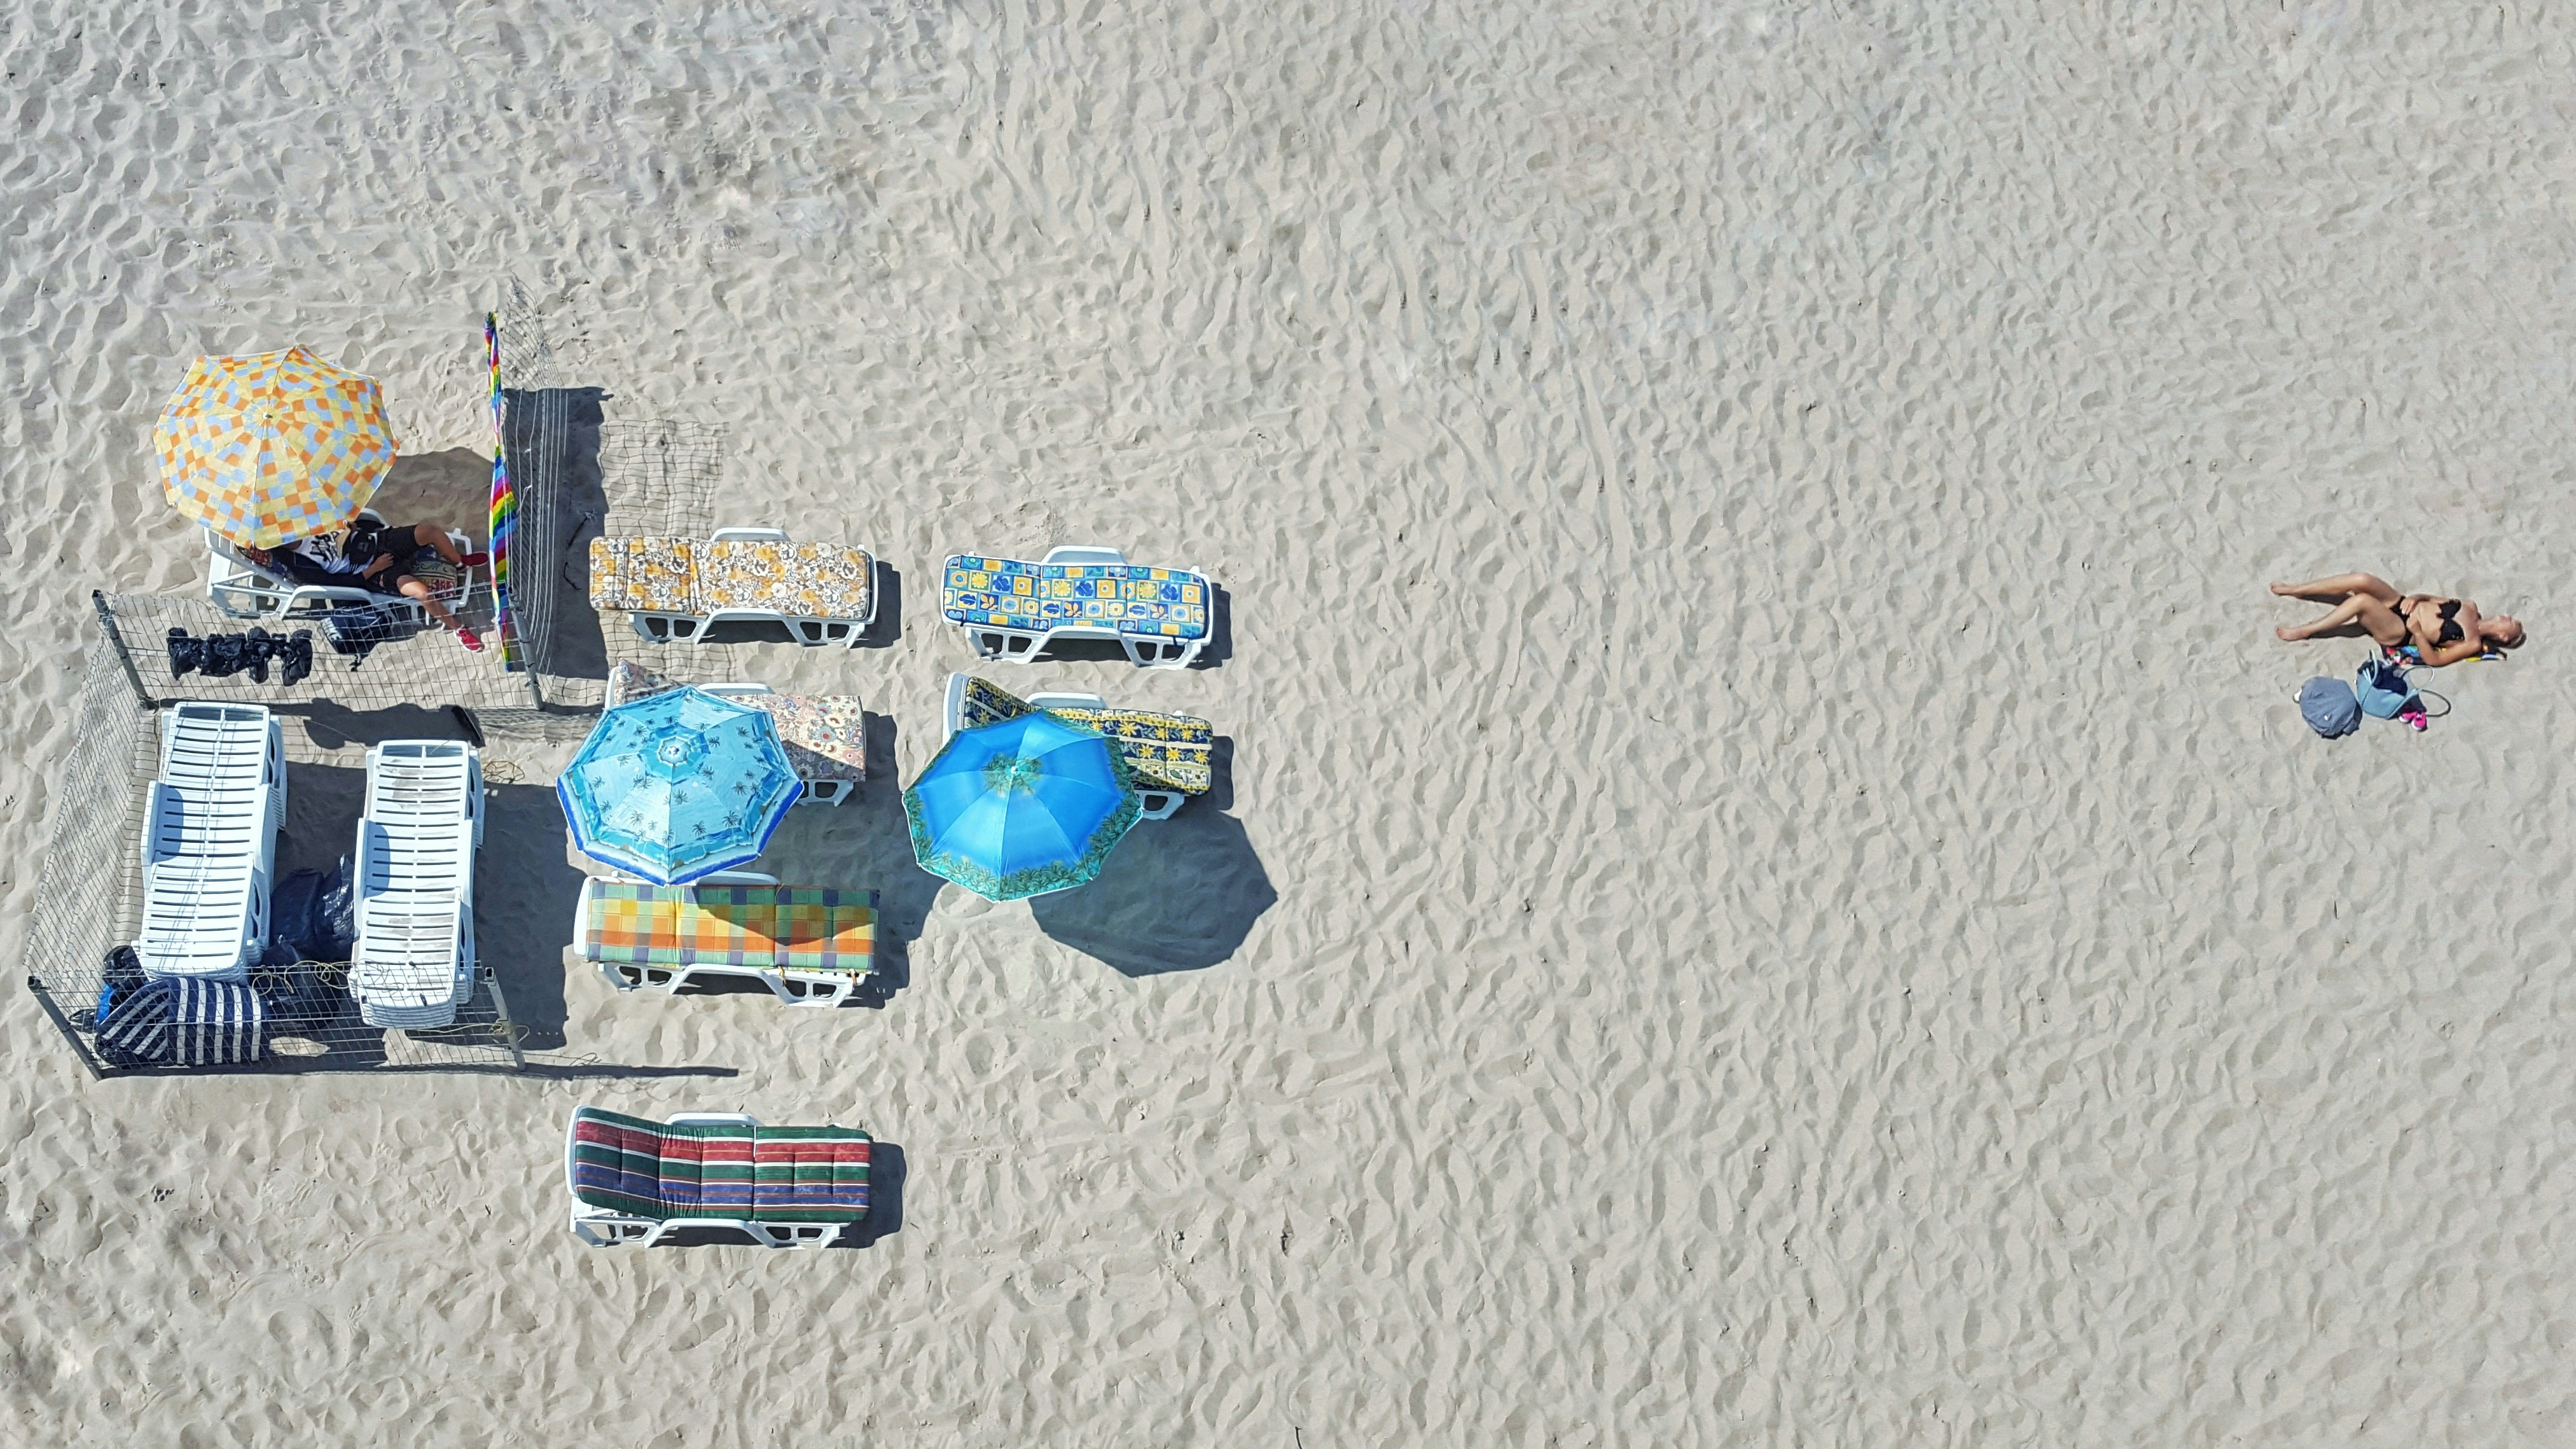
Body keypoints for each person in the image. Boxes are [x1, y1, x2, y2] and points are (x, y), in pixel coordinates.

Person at [244, 519, 485, 651]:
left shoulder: (311, 521)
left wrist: (351, 526)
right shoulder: (300, 565)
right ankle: (459, 629)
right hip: (374, 572)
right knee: (423, 594)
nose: (288, 533)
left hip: (377, 542)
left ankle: (459, 562)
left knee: (429, 530)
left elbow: (354, 525)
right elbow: (336, 585)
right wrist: (374, 568)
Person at [2270, 572, 2523, 665]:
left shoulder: (2472, 643)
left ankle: (2307, 631)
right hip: (2401, 603)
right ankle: (2296, 589)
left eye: (2511, 623)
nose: (2507, 617)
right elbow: (2432, 598)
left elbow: (2435, 660)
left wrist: (2419, 633)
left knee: (2362, 601)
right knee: (2362, 580)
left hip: (2400, 630)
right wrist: (2416, 597)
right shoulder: (2470, 606)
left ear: (2503, 637)